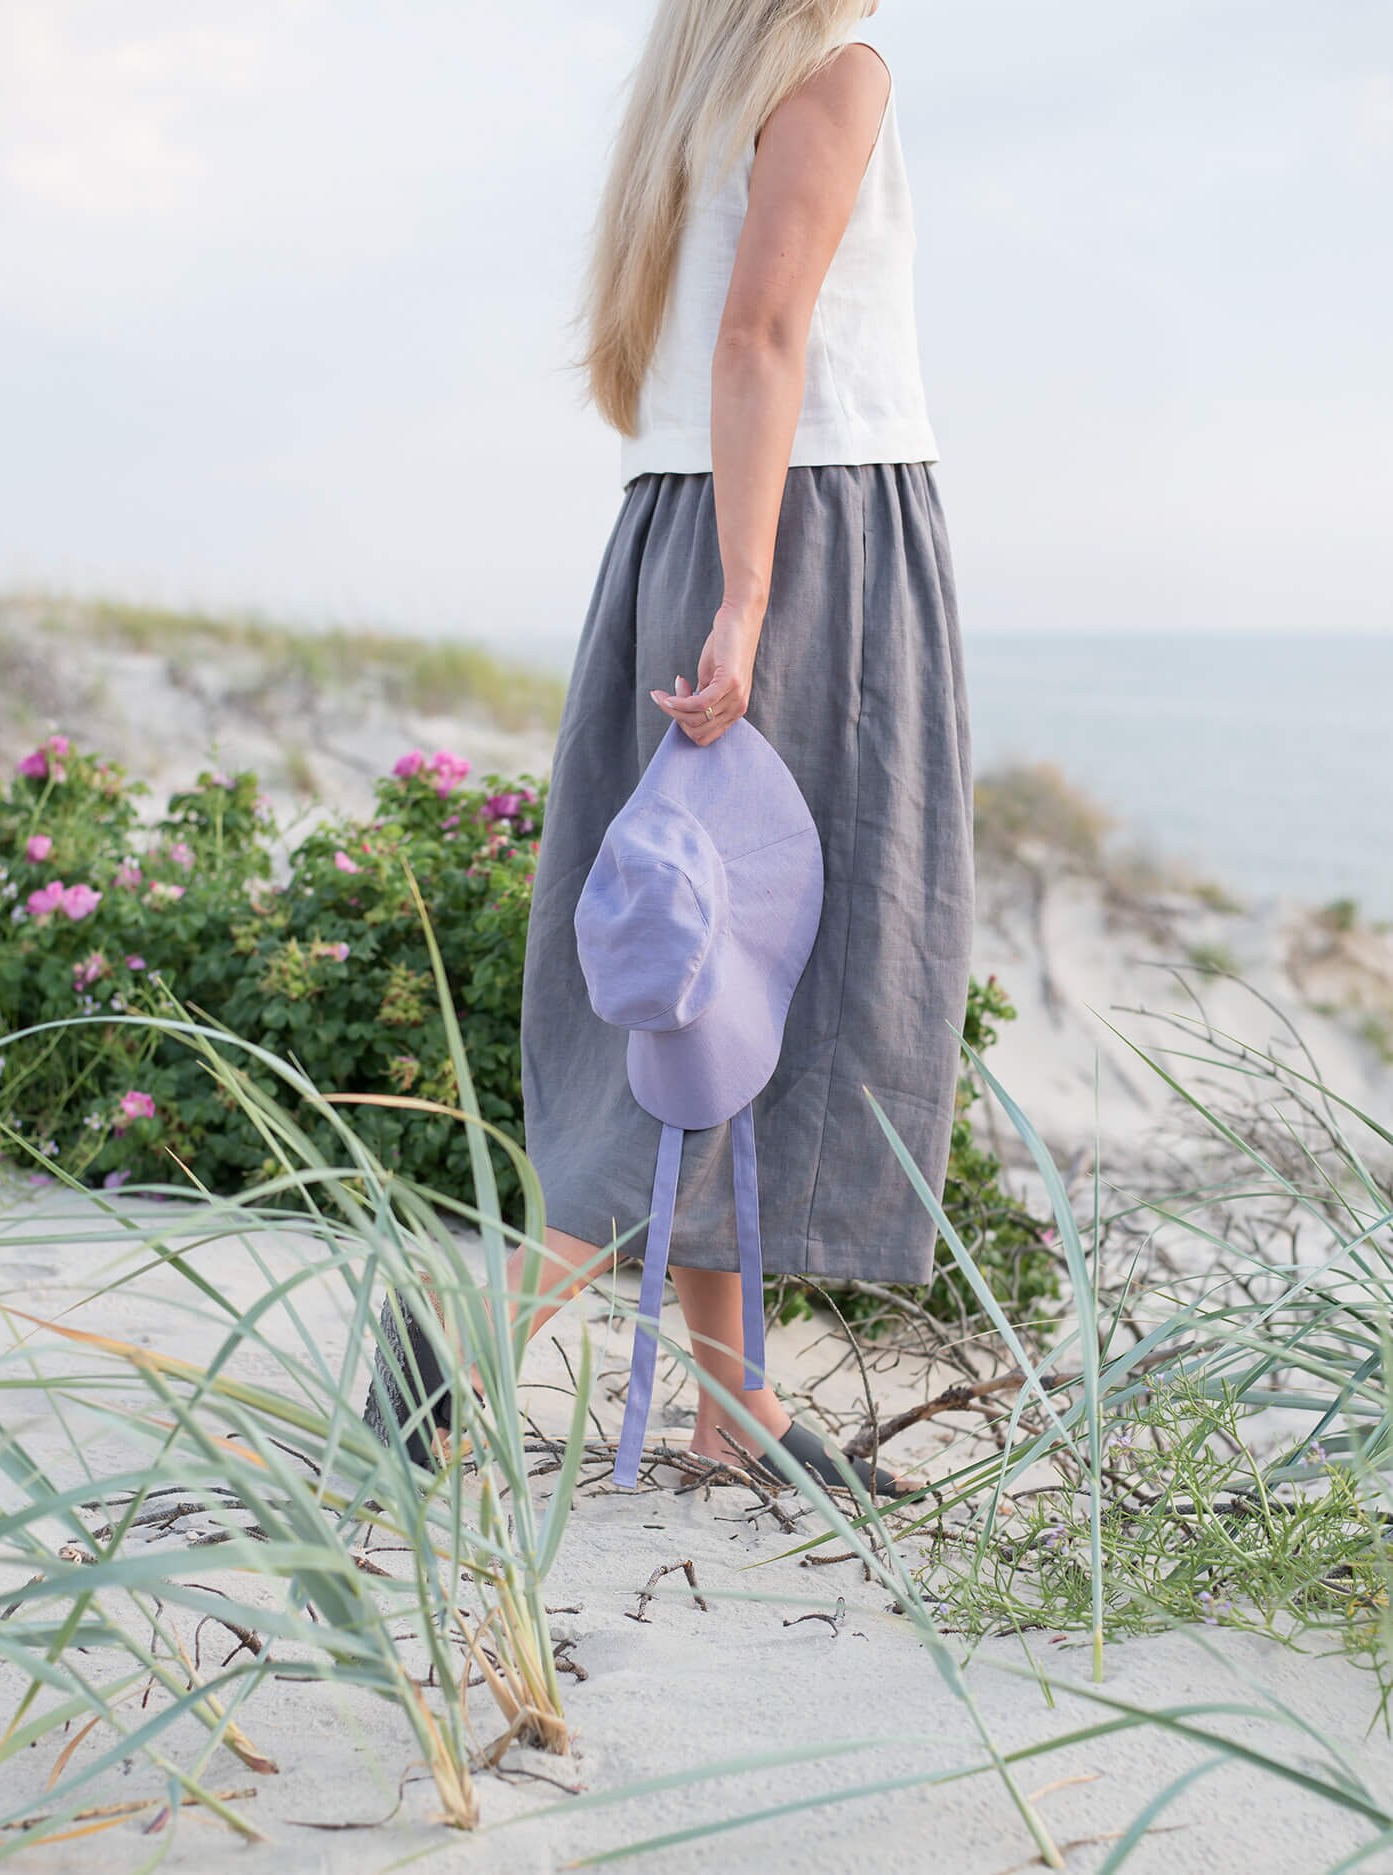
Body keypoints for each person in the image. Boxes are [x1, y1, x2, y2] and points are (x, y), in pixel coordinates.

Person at [369, 0, 974, 1495]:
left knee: (707, 971)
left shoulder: (703, 91)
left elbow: (730, 338)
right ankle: (466, 1340)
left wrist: (721, 579)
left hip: (680, 532)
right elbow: (765, 334)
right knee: (769, 964)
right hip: (806, 542)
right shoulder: (838, 75)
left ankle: (733, 1402)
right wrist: (757, 597)